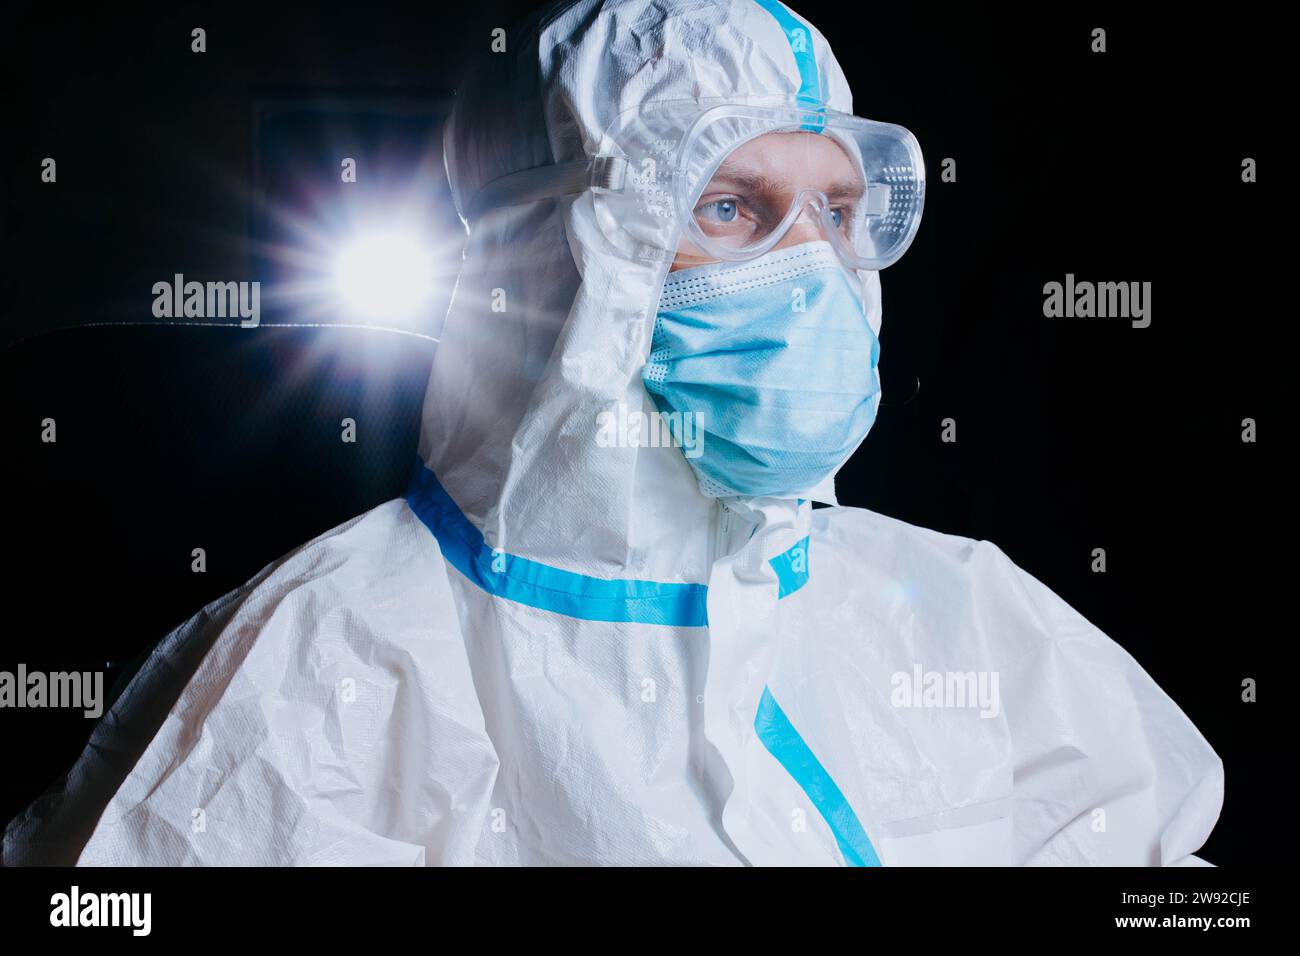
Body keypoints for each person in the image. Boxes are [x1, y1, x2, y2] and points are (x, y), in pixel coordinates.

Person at [4, 0, 1221, 866]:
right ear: (554, 257)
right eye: (730, 206)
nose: (813, 270)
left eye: (839, 210)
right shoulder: (340, 656)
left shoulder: (957, 609)